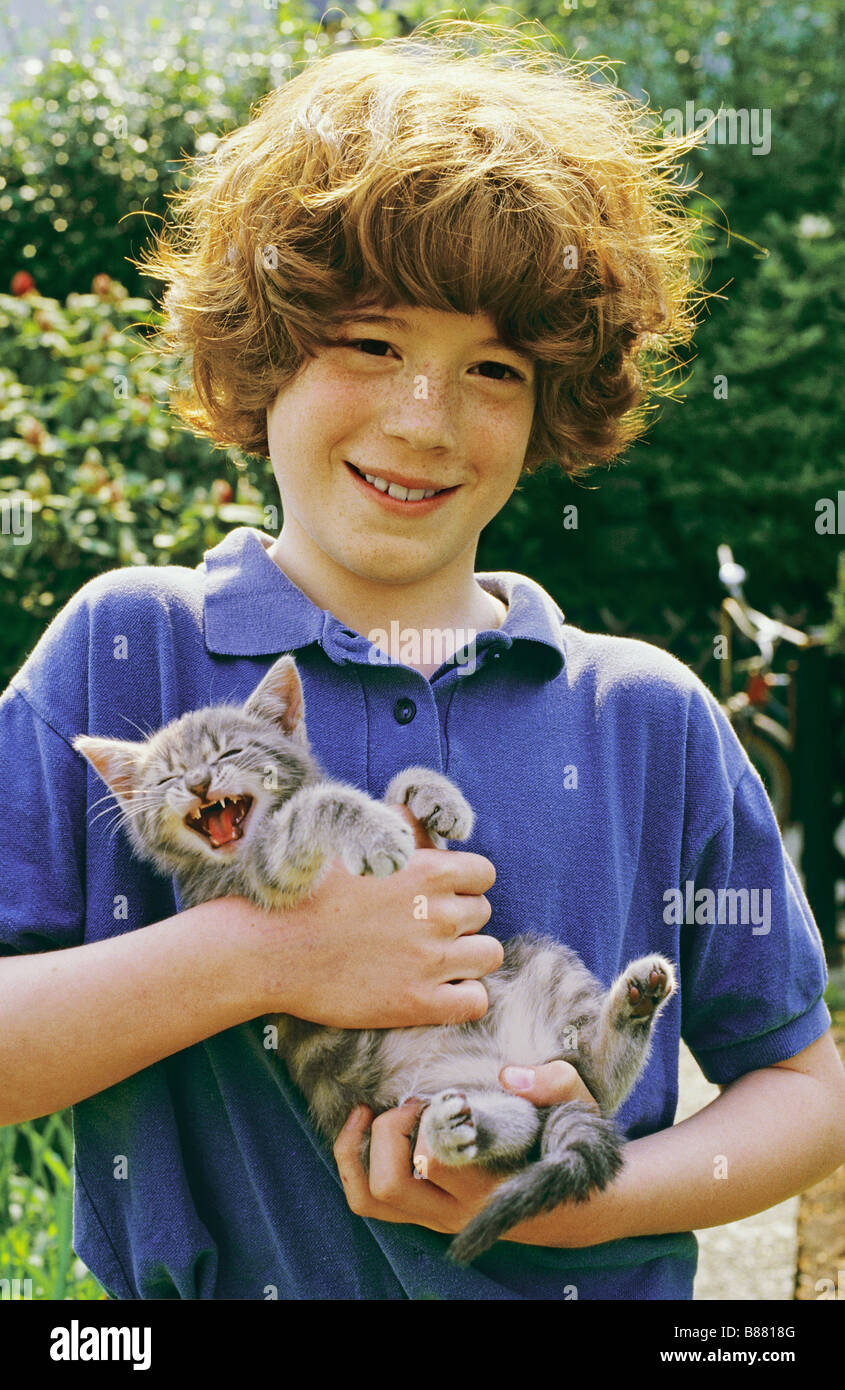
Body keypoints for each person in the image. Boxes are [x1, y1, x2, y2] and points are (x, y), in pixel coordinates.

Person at [1, 20, 843, 1301]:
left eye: (491, 367)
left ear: (550, 402)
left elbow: (802, 1082)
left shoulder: (647, 714)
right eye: (371, 343)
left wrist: (581, 1202)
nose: (421, 417)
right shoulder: (128, 652)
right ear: (265, 344)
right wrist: (262, 955)